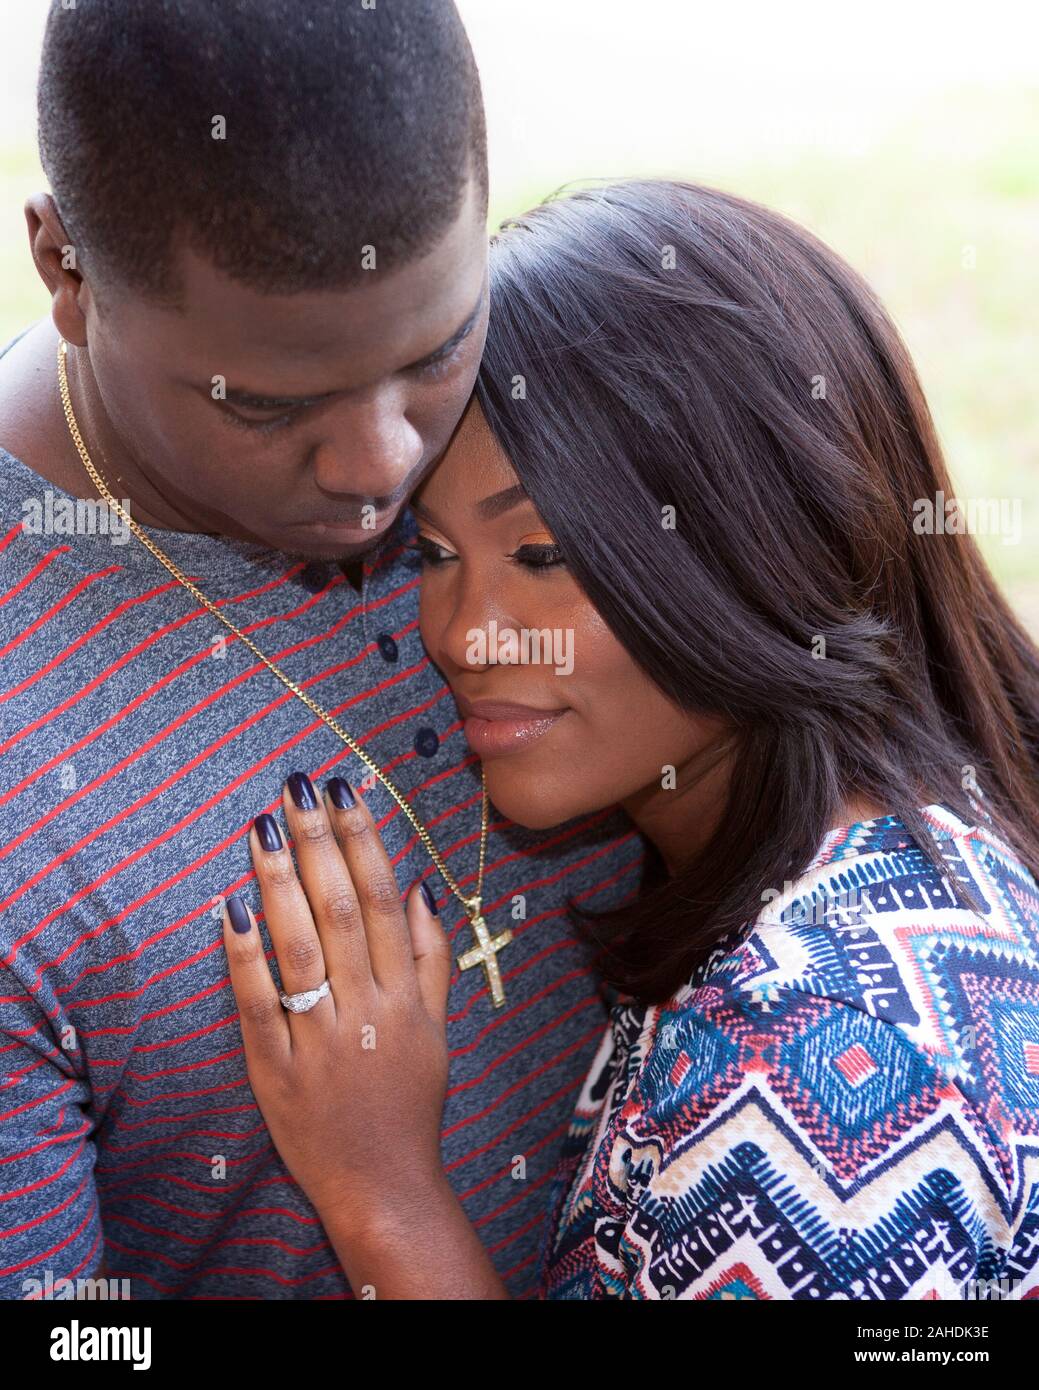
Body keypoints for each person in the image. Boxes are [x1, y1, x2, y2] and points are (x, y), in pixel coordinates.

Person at [223, 179, 1039, 1300]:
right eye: (435, 553)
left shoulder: (824, 1069)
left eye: (542, 556)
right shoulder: (894, 848)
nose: (460, 635)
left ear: (769, 538)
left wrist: (381, 1194)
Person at [0, 3, 640, 1301]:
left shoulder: (583, 382)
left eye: (431, 351)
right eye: (266, 404)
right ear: (66, 268)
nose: (379, 470)